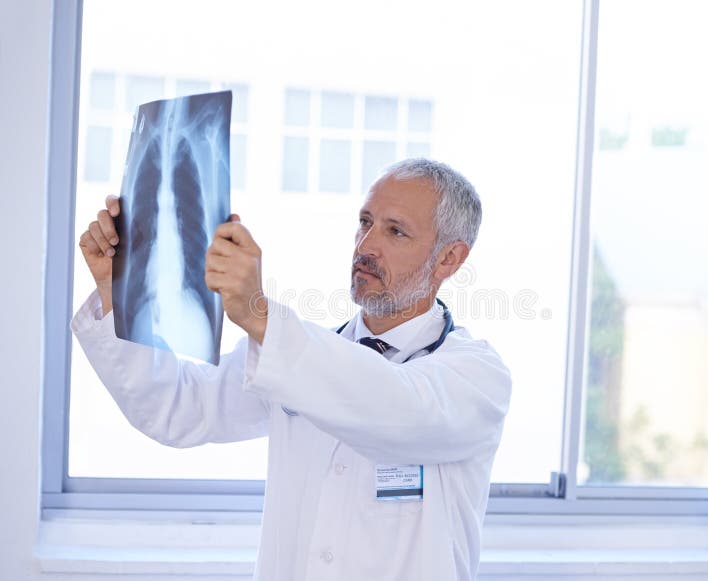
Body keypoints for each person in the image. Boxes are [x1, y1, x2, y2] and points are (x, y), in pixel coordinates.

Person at [72, 158, 512, 581]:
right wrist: (117, 291)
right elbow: (178, 409)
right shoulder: (297, 353)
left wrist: (259, 314)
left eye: (395, 231)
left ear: (449, 259)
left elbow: (397, 410)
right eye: (365, 221)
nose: (365, 246)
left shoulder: (476, 377)